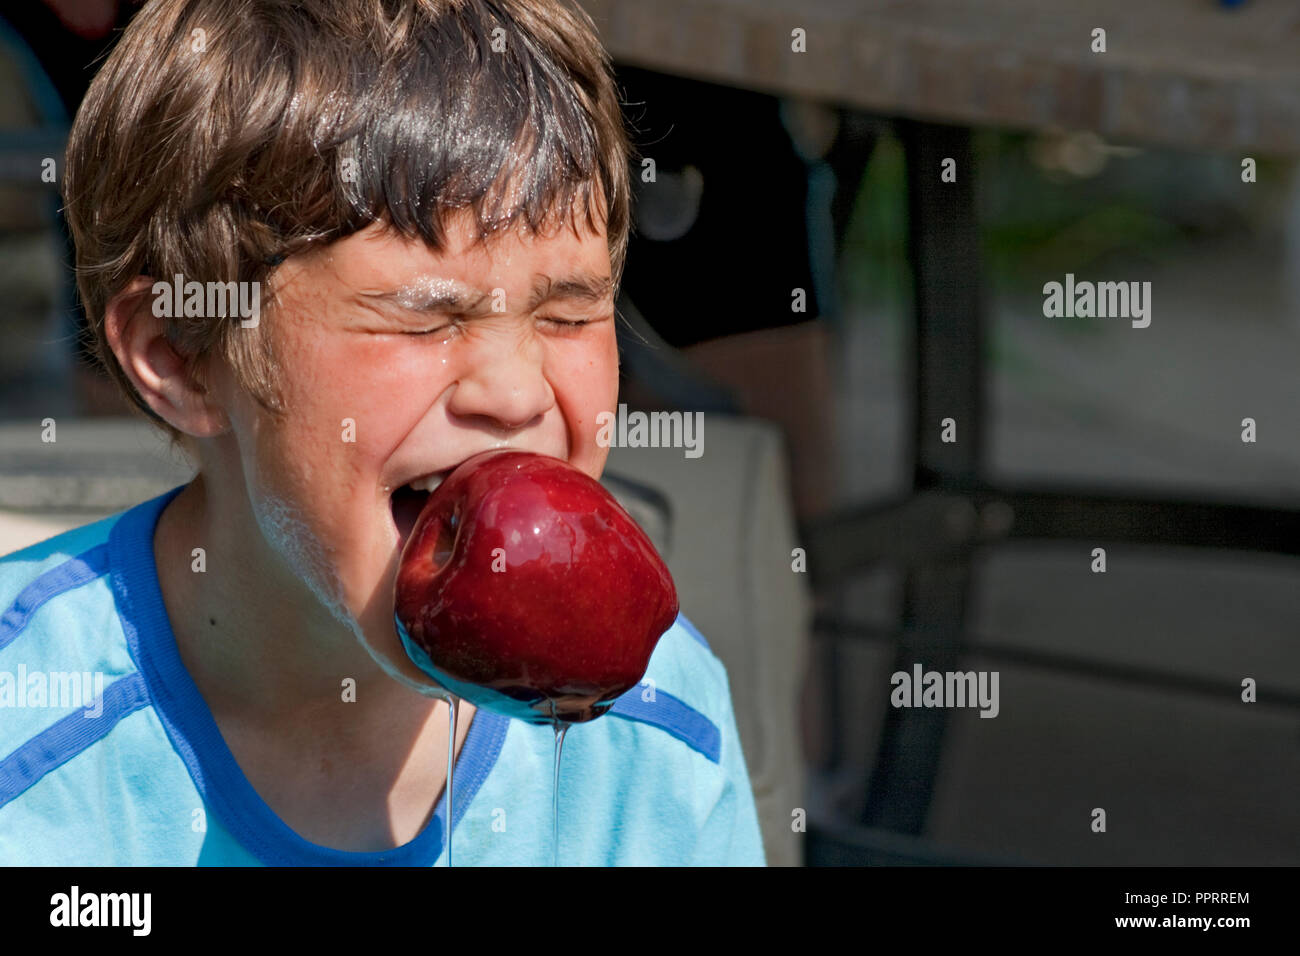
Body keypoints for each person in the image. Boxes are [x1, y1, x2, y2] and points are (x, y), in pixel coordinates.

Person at [0, 0, 765, 866]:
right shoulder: (30, 744)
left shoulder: (651, 732)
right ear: (181, 354)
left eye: (567, 312)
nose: (515, 394)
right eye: (423, 320)